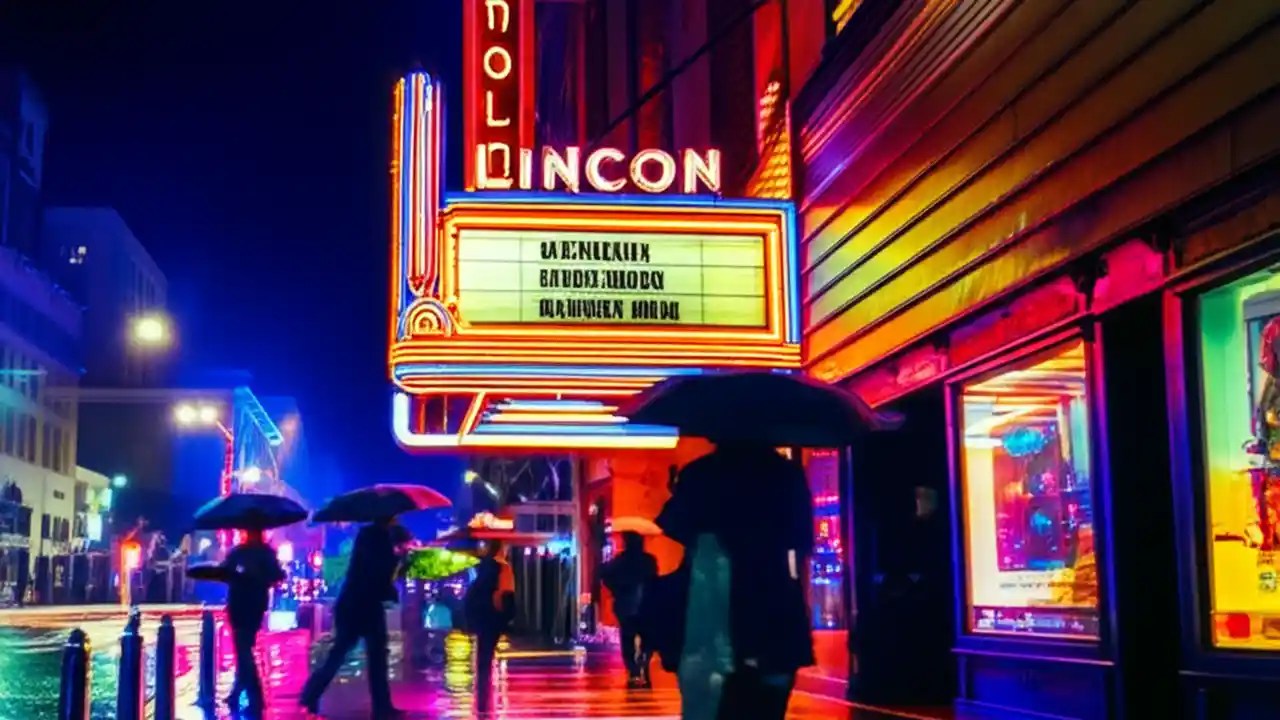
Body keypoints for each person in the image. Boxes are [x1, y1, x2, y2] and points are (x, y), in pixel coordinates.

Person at [656, 441, 815, 720]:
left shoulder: (701, 473)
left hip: (711, 605)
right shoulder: (785, 474)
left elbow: (674, 525)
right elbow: (802, 538)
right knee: (769, 703)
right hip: (773, 606)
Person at [301, 517, 406, 718]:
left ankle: (310, 695)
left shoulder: (371, 535)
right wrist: (397, 559)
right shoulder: (378, 537)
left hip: (357, 603)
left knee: (348, 653)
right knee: (371, 656)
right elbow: (379, 573)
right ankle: (381, 707)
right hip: (362, 604)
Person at [222, 528, 286, 716]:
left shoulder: (239, 553)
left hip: (240, 606)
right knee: (244, 650)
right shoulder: (266, 553)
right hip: (255, 606)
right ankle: (237, 694)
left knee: (243, 652)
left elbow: (224, 572)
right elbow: (278, 576)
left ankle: (255, 697)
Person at [464, 539, 516, 713]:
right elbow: (504, 594)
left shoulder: (482, 567)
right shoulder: (503, 567)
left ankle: (482, 693)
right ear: (501, 549)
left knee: (483, 655)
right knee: (487, 653)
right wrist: (505, 617)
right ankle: (484, 695)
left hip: (480, 617)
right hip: (492, 617)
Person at [601, 531, 659, 686]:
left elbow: (606, 576)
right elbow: (655, 580)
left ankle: (633, 669)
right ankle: (644, 660)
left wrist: (616, 590)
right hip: (646, 605)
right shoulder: (648, 561)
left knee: (627, 638)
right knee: (647, 637)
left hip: (625, 605)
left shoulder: (620, 561)